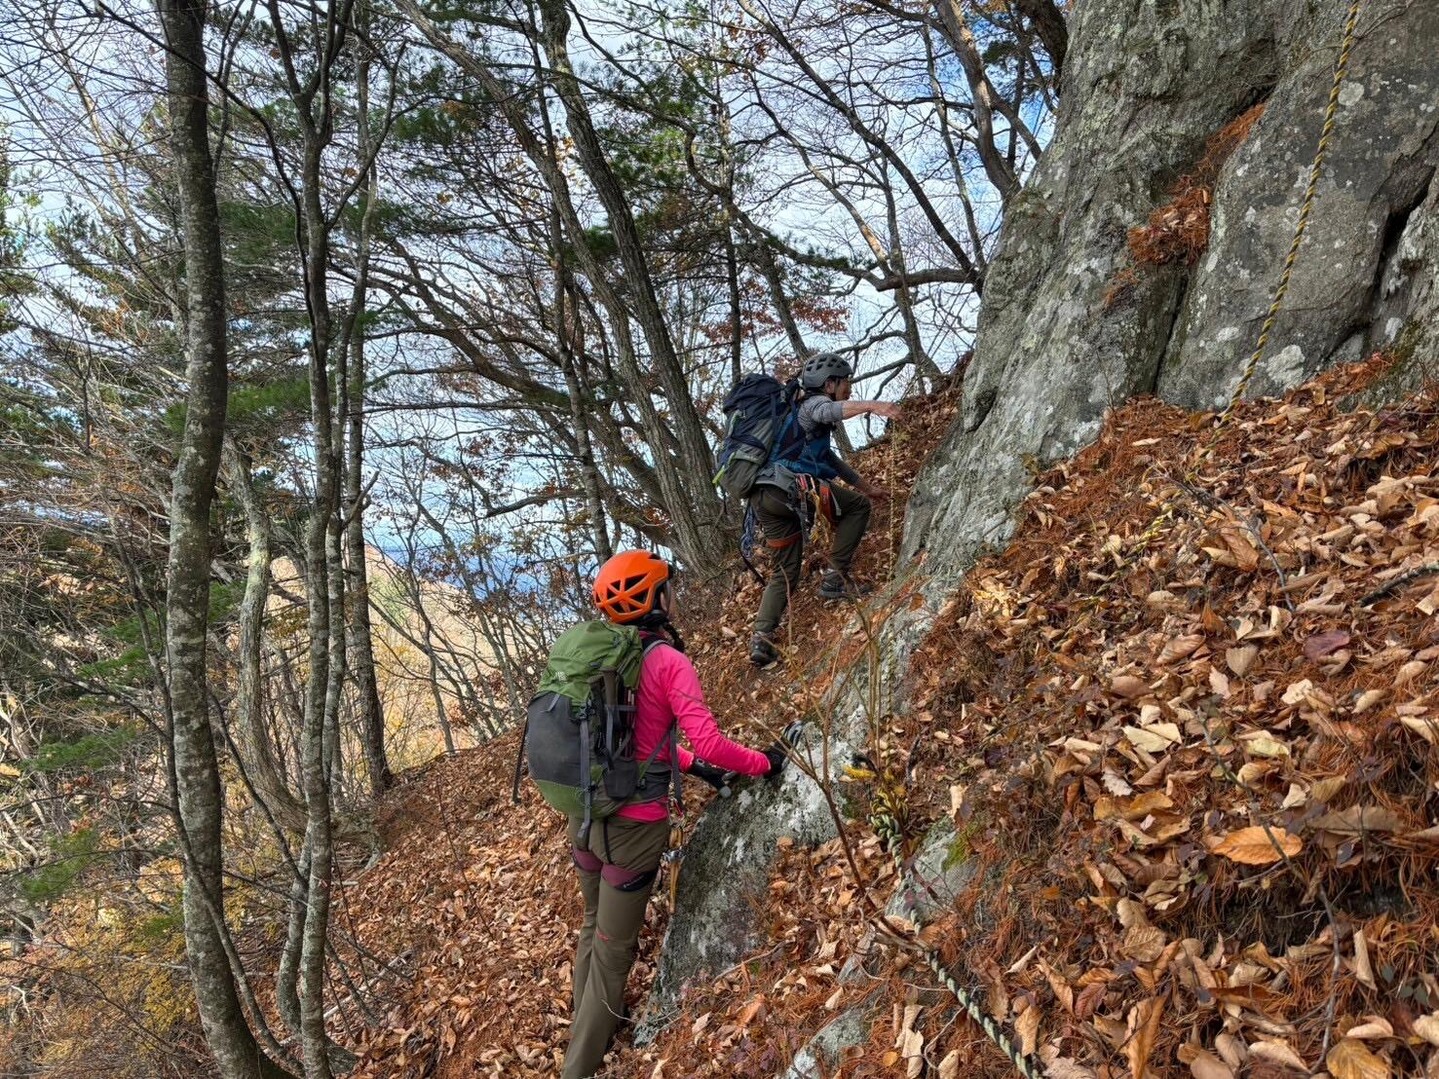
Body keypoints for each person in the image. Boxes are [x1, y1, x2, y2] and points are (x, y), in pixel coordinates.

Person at [563, 550, 787, 1079]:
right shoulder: (667, 660)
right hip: (632, 830)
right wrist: (763, 764)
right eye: (669, 588)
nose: (674, 595)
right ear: (656, 599)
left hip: (586, 817)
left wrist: (692, 768)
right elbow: (707, 738)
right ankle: (579, 1064)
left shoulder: (601, 657)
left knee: (592, 925)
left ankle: (585, 1025)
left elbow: (634, 742)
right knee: (613, 952)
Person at [748, 352, 902, 668]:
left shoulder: (801, 425)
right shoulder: (811, 407)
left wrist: (868, 488)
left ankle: (760, 640)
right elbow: (829, 409)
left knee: (784, 571)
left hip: (766, 498)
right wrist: (873, 405)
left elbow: (830, 462)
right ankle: (834, 579)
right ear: (830, 384)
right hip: (791, 489)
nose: (849, 388)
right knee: (857, 508)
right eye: (846, 383)